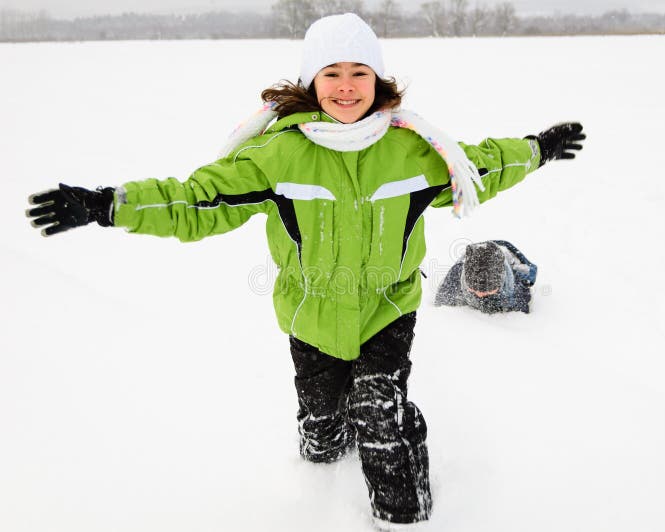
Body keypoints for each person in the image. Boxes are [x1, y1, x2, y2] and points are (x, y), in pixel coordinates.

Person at [25, 13, 585, 530]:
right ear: (311, 82)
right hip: (310, 313)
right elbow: (197, 200)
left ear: (379, 80)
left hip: (386, 308)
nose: (346, 86)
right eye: (332, 73)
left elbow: (480, 165)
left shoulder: (412, 152)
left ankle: (404, 515)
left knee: (381, 415)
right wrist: (108, 205)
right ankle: (321, 458)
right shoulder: (279, 156)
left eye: (359, 72)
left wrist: (538, 148)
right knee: (321, 421)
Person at [434, 240, 538, 314]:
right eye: (473, 289)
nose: (479, 294)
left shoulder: (517, 288)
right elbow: (440, 303)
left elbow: (523, 312)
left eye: (488, 291)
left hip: (506, 255)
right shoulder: (455, 276)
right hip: (474, 256)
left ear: (500, 283)